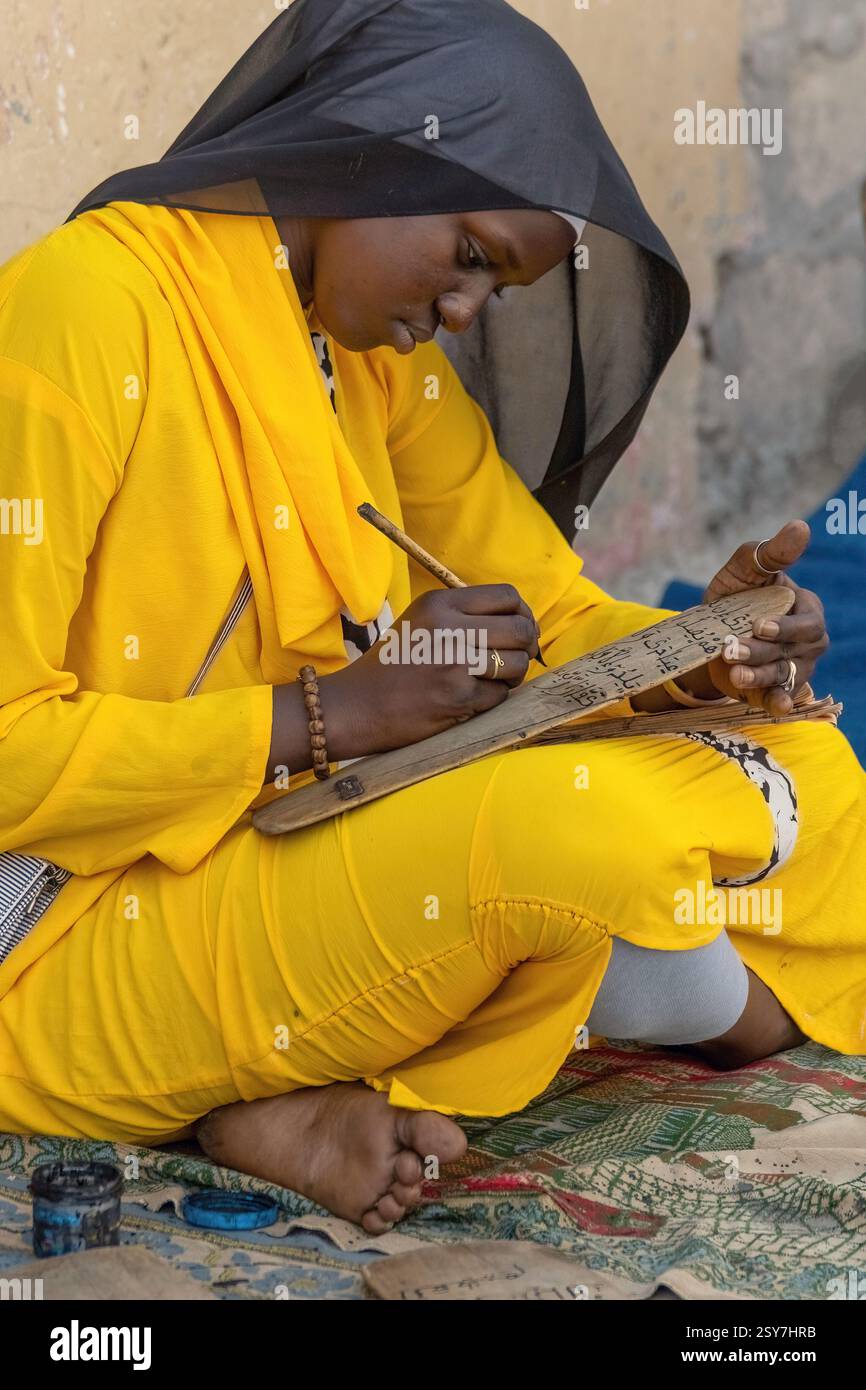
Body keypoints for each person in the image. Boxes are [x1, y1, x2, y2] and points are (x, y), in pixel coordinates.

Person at [0, 0, 862, 1235]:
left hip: (268, 854)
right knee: (580, 843)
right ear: (370, 147)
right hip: (52, 932)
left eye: (494, 286)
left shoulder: (369, 366)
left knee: (810, 763)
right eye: (467, 254)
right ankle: (235, 1086)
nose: (464, 313)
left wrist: (698, 656)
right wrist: (326, 714)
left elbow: (553, 614)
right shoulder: (83, 310)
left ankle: (266, 1088)